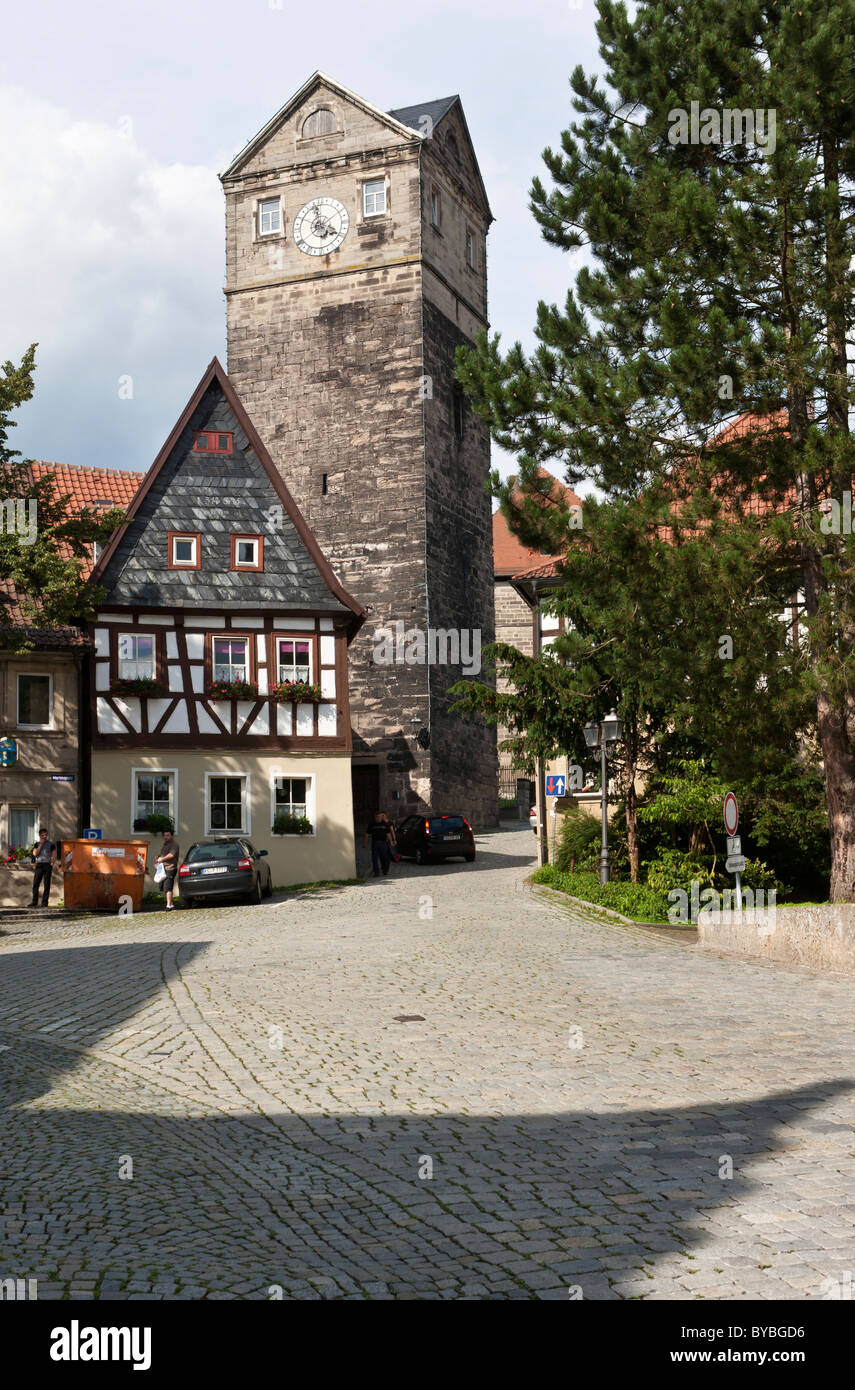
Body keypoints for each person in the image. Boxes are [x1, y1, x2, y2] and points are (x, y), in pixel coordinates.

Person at [29, 828, 56, 908]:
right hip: (39, 865)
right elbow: (35, 854)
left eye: (46, 835)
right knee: (36, 884)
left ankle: (44, 903)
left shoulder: (51, 844)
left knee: (46, 884)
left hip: (47, 865)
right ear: (40, 836)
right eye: (42, 835)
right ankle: (34, 902)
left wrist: (51, 864)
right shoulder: (36, 844)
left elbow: (54, 855)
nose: (44, 836)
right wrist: (41, 844)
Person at [154, 829, 180, 910]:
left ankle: (168, 905)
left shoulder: (174, 844)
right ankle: (171, 904)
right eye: (164, 835)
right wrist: (158, 859)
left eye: (167, 835)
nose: (165, 837)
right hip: (163, 869)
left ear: (171, 835)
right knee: (164, 887)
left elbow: (171, 855)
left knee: (168, 887)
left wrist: (162, 859)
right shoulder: (165, 844)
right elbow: (163, 855)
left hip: (170, 868)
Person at [364, 812, 394, 877]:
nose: (379, 818)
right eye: (377, 817)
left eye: (380, 817)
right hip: (375, 843)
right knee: (374, 858)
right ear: (375, 817)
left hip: (383, 843)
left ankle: (385, 869)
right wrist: (365, 843)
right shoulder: (372, 824)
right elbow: (367, 834)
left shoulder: (385, 824)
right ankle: (376, 872)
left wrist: (391, 841)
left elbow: (388, 834)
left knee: (384, 857)